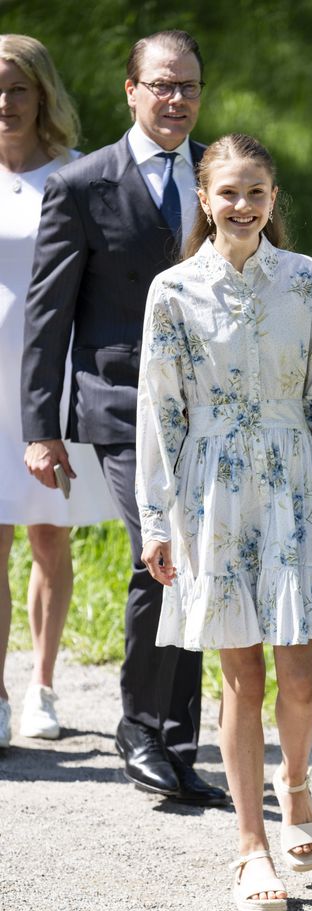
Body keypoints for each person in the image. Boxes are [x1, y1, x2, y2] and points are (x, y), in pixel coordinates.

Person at [136, 133, 312, 911]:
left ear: (272, 199)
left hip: (294, 482)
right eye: (227, 191)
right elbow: (159, 410)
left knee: (299, 672)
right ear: (204, 197)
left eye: (255, 191)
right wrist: (156, 519)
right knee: (241, 674)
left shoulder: (302, 278)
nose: (241, 205)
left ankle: (296, 783)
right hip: (213, 490)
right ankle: (249, 846)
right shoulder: (173, 289)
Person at [21, 30, 226, 805]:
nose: (177, 100)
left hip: (208, 411)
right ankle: (138, 730)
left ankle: (178, 744)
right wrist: (40, 428)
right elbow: (49, 316)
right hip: (117, 406)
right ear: (131, 91)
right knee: (160, 556)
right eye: (163, 85)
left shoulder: (220, 174)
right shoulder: (80, 184)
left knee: (193, 567)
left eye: (190, 88)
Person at [0, 34, 115, 749]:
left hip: (49, 376)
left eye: (16, 88)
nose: (4, 103)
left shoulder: (77, 177)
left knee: (48, 534)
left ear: (43, 95)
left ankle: (42, 686)